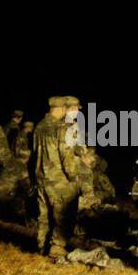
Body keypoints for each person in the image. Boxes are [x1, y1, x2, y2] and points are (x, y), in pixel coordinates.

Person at [32, 96, 87, 259]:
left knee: (44, 215)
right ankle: (57, 247)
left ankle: (42, 246)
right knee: (65, 215)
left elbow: (35, 153)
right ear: (62, 108)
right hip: (59, 178)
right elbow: (66, 155)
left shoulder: (40, 126)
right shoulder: (61, 128)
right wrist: (74, 176)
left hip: (42, 176)